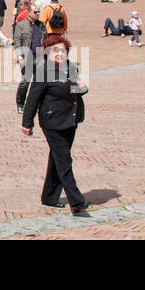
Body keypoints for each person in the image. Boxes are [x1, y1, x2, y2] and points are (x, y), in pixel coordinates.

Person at [21, 35, 90, 216]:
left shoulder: (71, 68)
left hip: (71, 120)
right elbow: (32, 99)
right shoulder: (43, 72)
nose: (60, 53)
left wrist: (82, 87)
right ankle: (76, 201)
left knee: (57, 159)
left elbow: (77, 91)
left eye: (63, 50)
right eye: (55, 50)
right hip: (52, 122)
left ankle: (49, 197)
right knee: (64, 160)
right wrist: (27, 123)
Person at [14, 0, 43, 114]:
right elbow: (17, 41)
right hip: (27, 58)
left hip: (40, 57)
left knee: (40, 83)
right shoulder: (21, 25)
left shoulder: (41, 25)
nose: (37, 14)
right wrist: (19, 57)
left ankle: (36, 104)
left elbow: (45, 40)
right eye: (35, 12)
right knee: (25, 83)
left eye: (38, 12)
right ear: (29, 12)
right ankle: (20, 103)